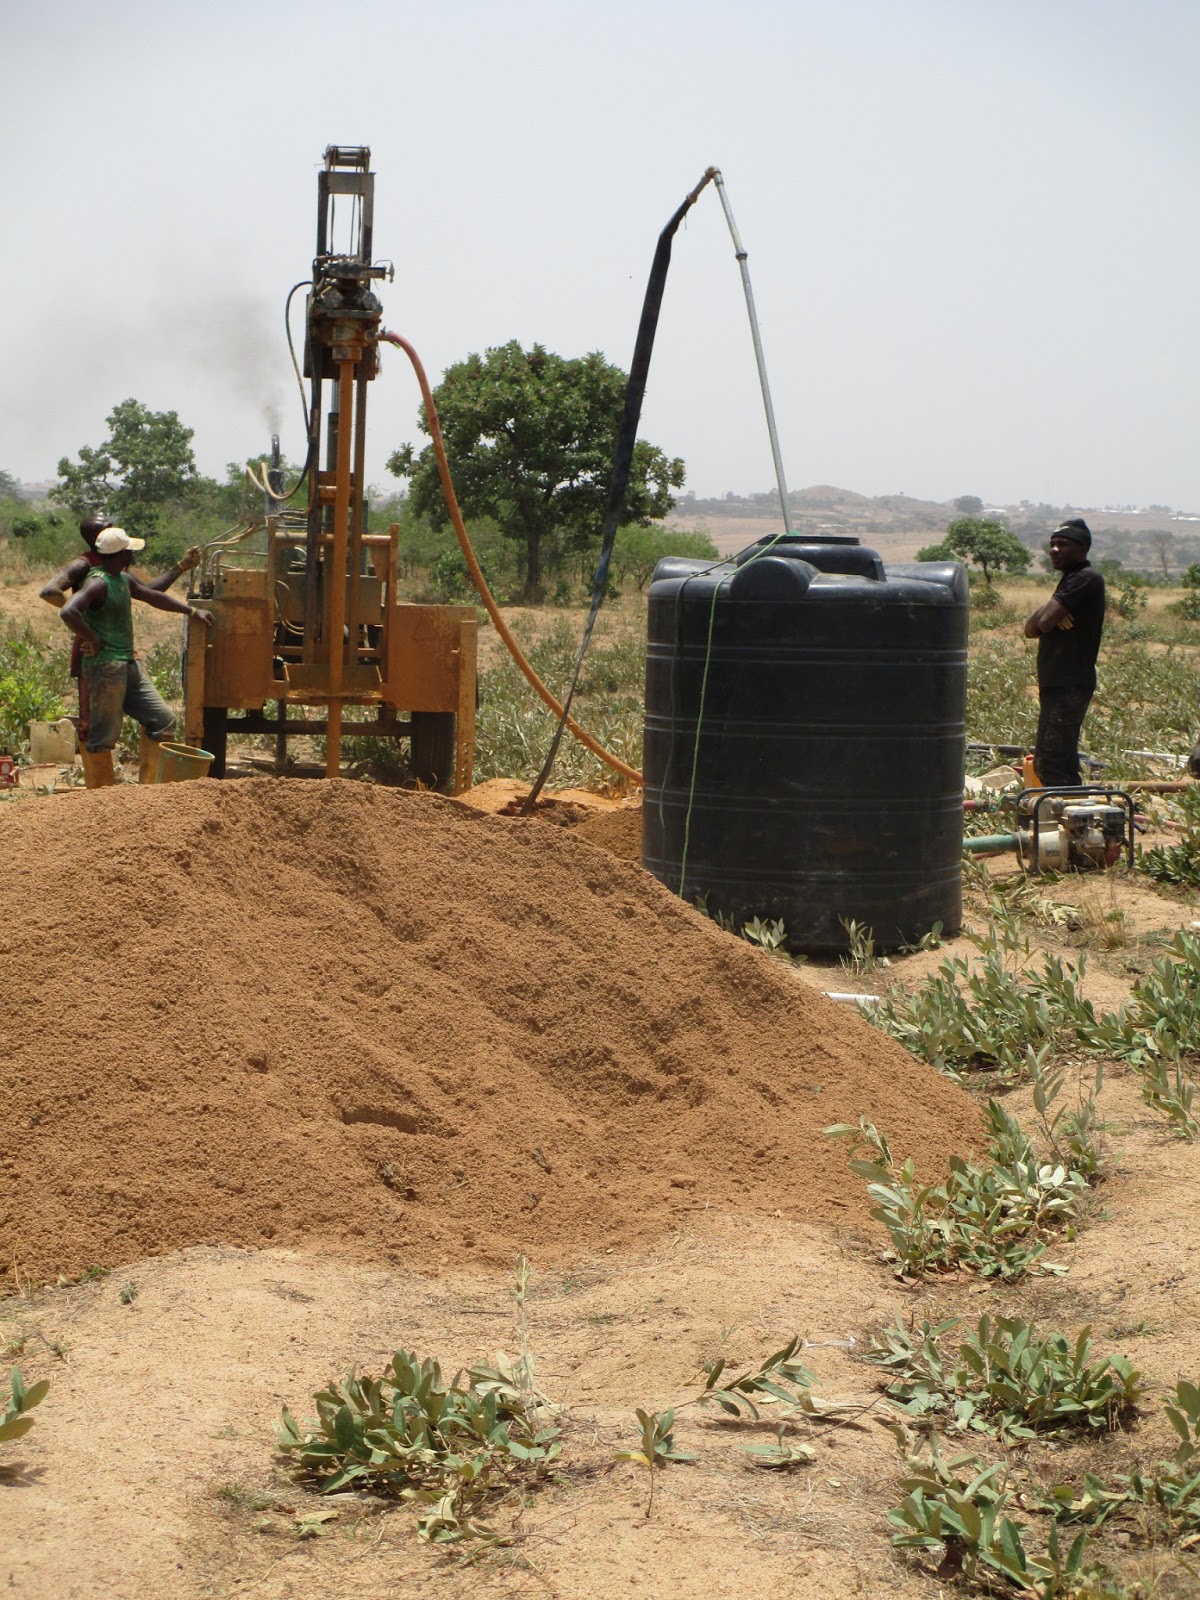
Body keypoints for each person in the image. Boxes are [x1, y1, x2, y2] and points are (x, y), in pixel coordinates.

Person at [58, 528, 213, 788]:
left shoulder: (122, 580)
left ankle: (146, 795)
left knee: (162, 720)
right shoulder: (98, 582)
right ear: (122, 554)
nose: (131, 555)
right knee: (103, 737)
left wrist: (191, 610)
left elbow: (153, 596)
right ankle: (102, 800)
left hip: (128, 664)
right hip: (106, 667)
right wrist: (93, 639)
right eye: (129, 551)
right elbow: (68, 611)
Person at [1023, 518, 1106, 787]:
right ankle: (1075, 818)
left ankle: (1071, 818)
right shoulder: (1070, 581)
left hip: (1069, 683)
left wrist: (1049, 615)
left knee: (1050, 762)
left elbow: (1044, 624)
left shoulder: (1085, 579)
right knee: (1060, 760)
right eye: (1052, 545)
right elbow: (1030, 629)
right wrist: (1050, 611)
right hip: (1057, 683)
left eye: (1063, 544)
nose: (1055, 550)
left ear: (1082, 548)